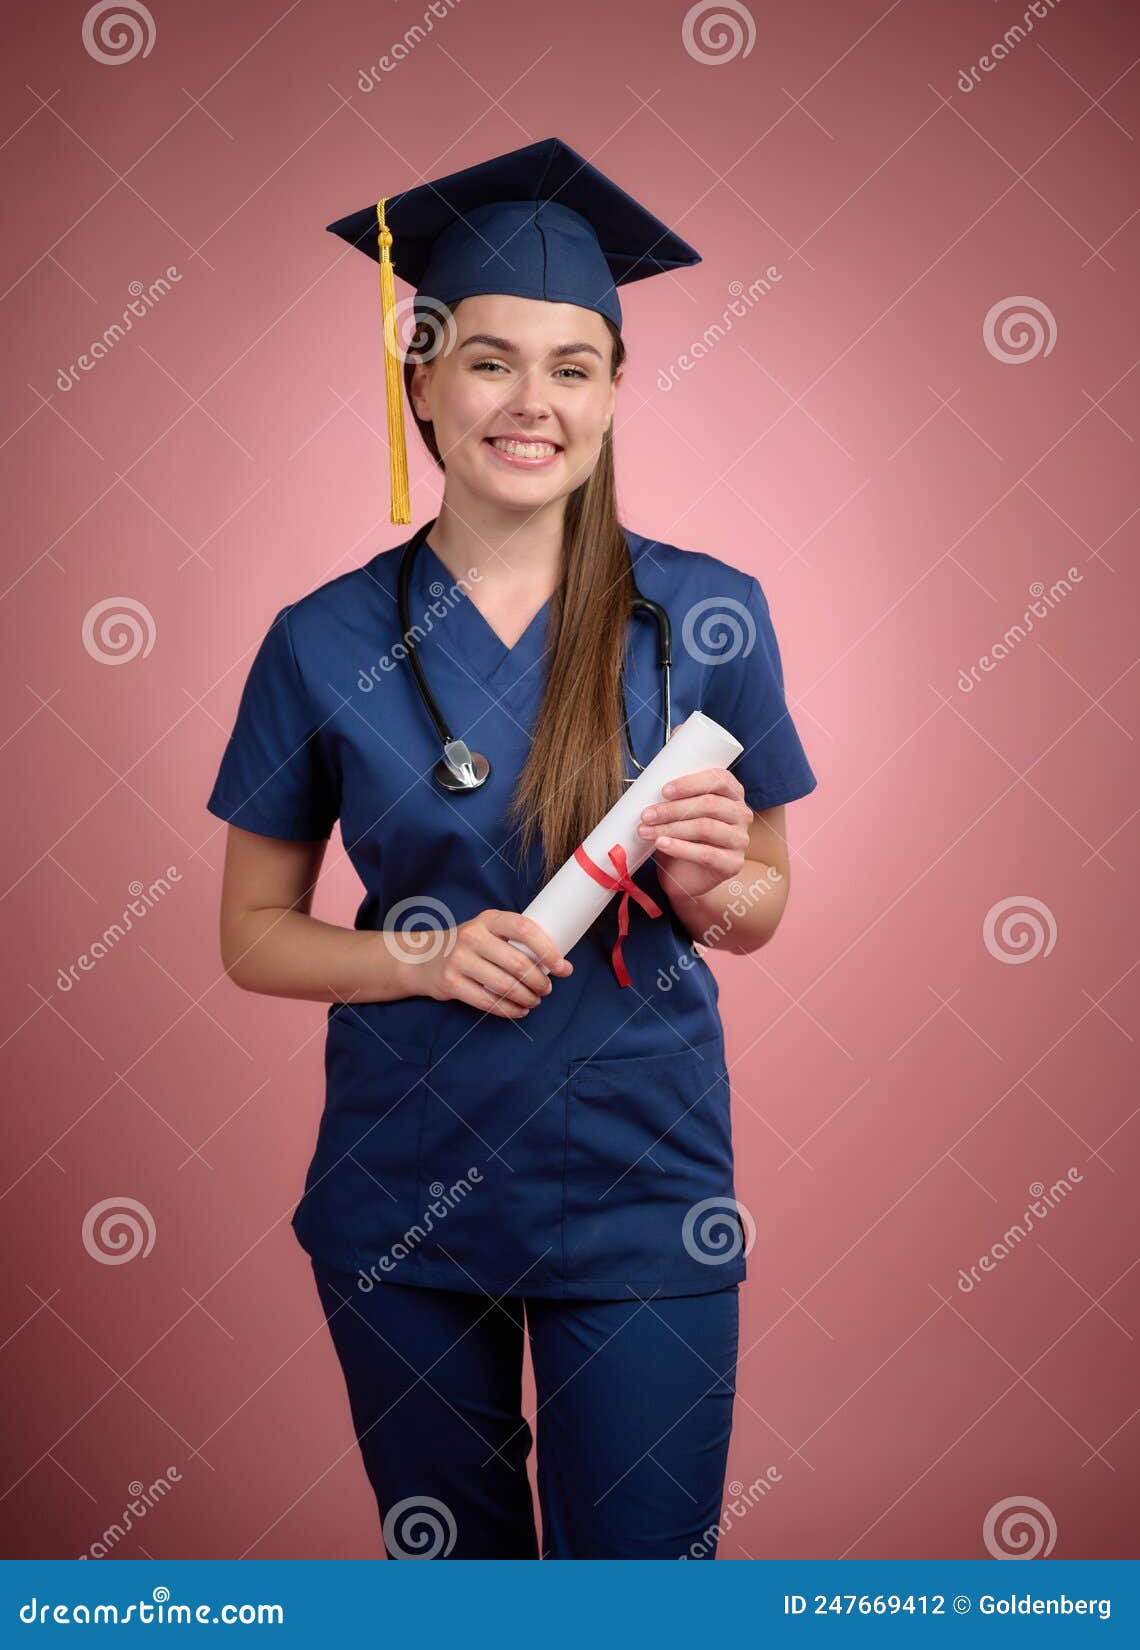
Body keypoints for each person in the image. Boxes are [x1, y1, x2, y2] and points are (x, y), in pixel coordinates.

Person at [206, 138, 816, 1560]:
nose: (530, 402)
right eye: (487, 360)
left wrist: (710, 882)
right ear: (419, 378)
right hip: (402, 1190)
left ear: (611, 392)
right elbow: (252, 932)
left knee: (641, 1586)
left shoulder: (708, 616)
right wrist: (415, 955)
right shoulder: (322, 639)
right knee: (458, 1592)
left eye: (573, 365)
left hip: (641, 1182)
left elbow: (766, 906)